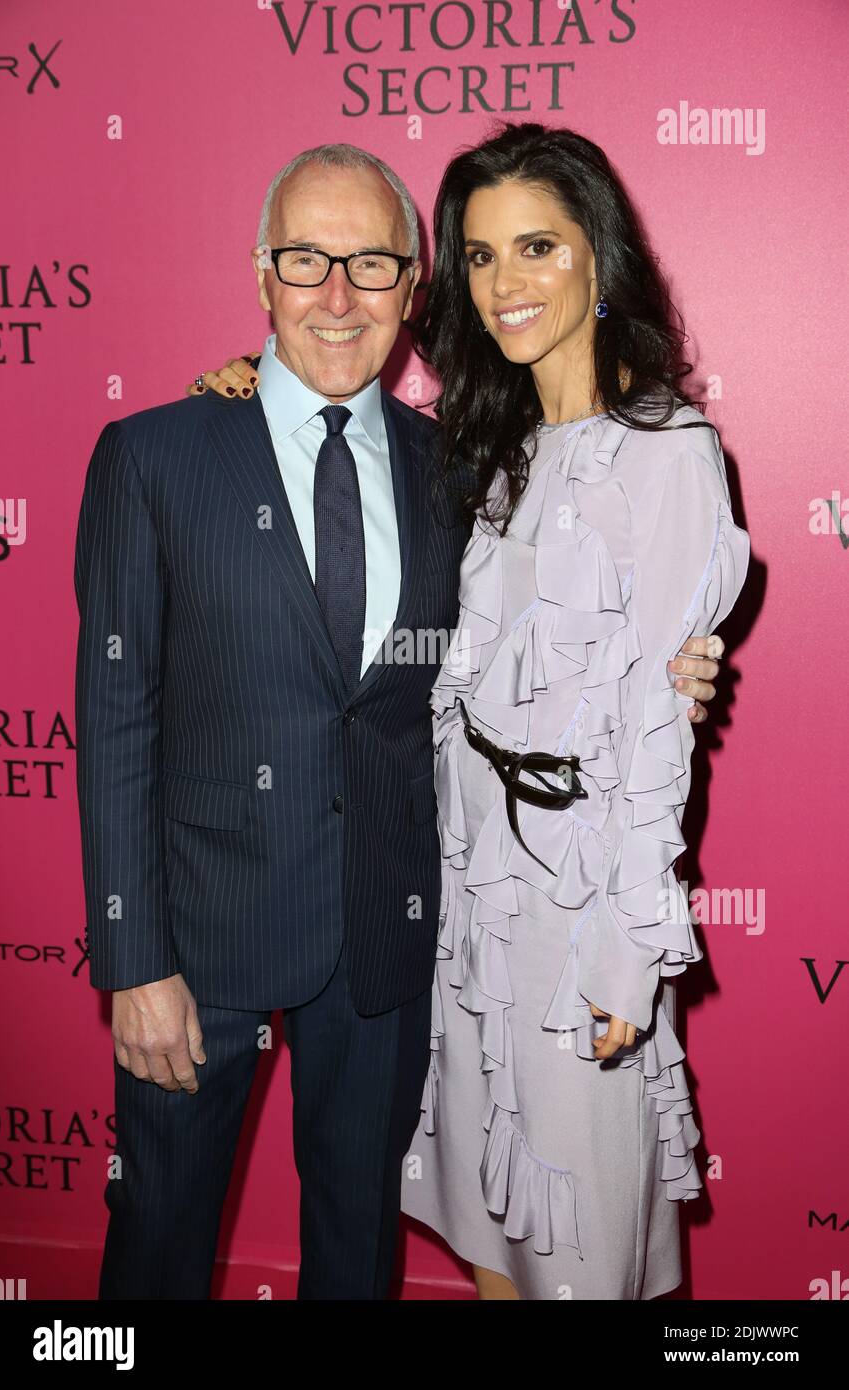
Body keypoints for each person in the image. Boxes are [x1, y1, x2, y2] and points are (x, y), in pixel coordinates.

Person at [75, 138, 726, 1305]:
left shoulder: (452, 466)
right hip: (201, 946)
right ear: (259, 273)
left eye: (370, 263)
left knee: (359, 1244)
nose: (336, 294)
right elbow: (115, 715)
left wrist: (668, 675)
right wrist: (132, 958)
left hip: (398, 938)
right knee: (157, 1245)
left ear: (411, 286)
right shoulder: (159, 455)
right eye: (304, 260)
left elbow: (575, 655)